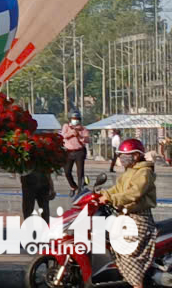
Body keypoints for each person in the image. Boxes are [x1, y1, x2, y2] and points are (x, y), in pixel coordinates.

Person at [97, 138, 157, 288]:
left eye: (125, 155)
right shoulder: (129, 172)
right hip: (125, 216)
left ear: (136, 155)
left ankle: (137, 284)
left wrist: (111, 198)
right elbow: (117, 189)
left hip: (139, 218)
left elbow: (134, 192)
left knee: (128, 250)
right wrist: (101, 194)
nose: (121, 158)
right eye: (120, 155)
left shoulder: (144, 172)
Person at [60, 111, 90, 191]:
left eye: (77, 119)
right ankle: (73, 186)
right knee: (67, 171)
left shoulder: (83, 129)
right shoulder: (66, 126)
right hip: (68, 152)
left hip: (79, 151)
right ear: (70, 119)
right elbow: (62, 136)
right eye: (74, 119)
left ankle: (80, 189)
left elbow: (87, 140)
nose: (75, 120)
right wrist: (71, 133)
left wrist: (79, 136)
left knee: (80, 172)